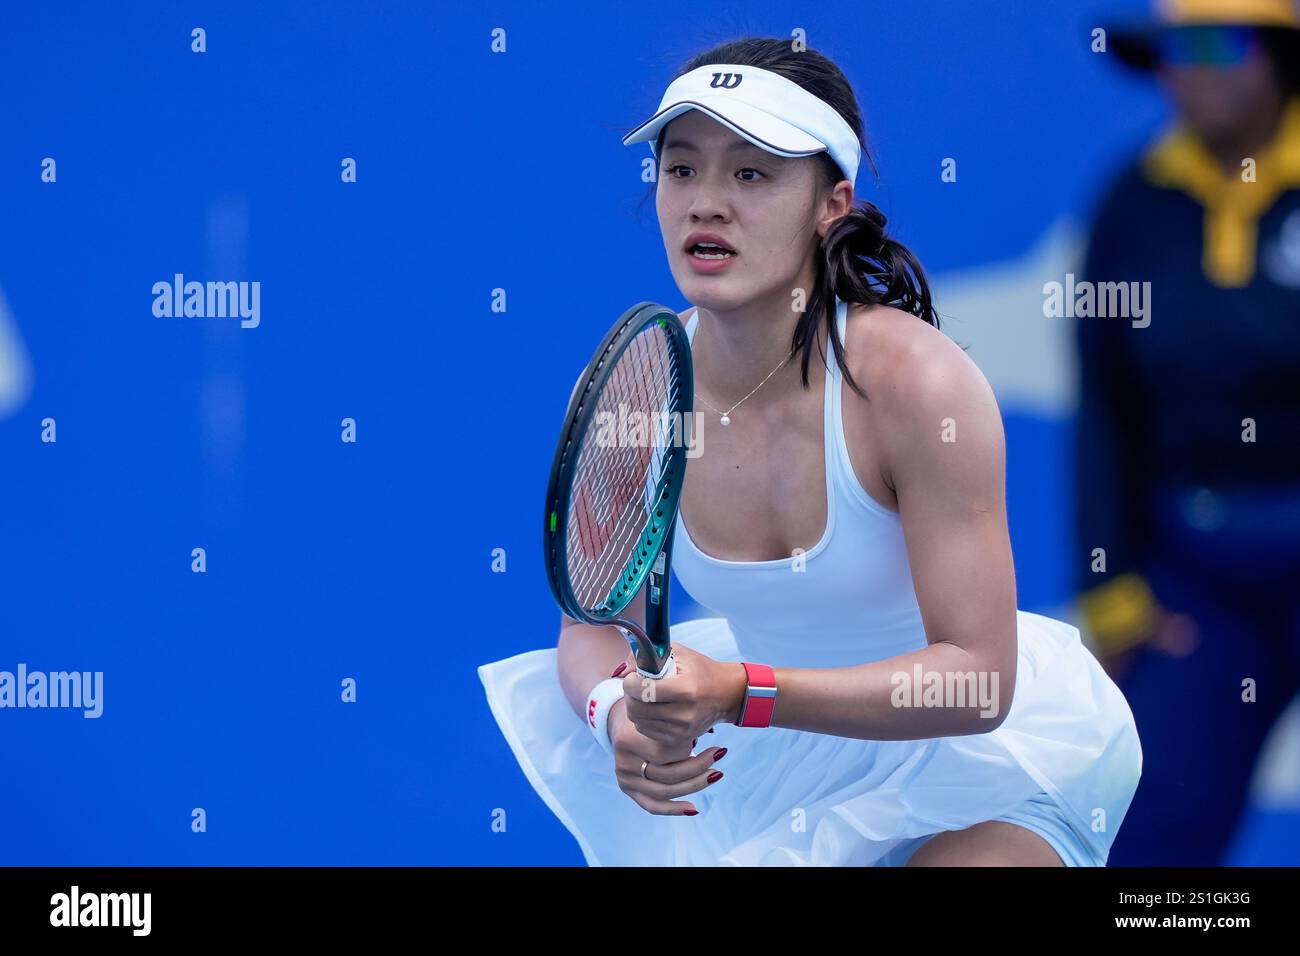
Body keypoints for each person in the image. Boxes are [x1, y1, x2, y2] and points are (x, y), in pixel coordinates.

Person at [480, 37, 1141, 866]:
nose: (706, 204)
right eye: (681, 169)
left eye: (751, 174)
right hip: (776, 767)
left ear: (832, 203)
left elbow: (976, 681)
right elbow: (594, 628)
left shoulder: (919, 386)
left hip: (986, 762)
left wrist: (741, 691)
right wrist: (616, 713)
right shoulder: (636, 392)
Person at [1078, 0, 1300, 865]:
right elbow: (1106, 406)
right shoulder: (1134, 205)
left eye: (1216, 43)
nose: (1189, 69)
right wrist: (1112, 588)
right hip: (1202, 580)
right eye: (1171, 48)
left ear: (1280, 55)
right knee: (1150, 843)